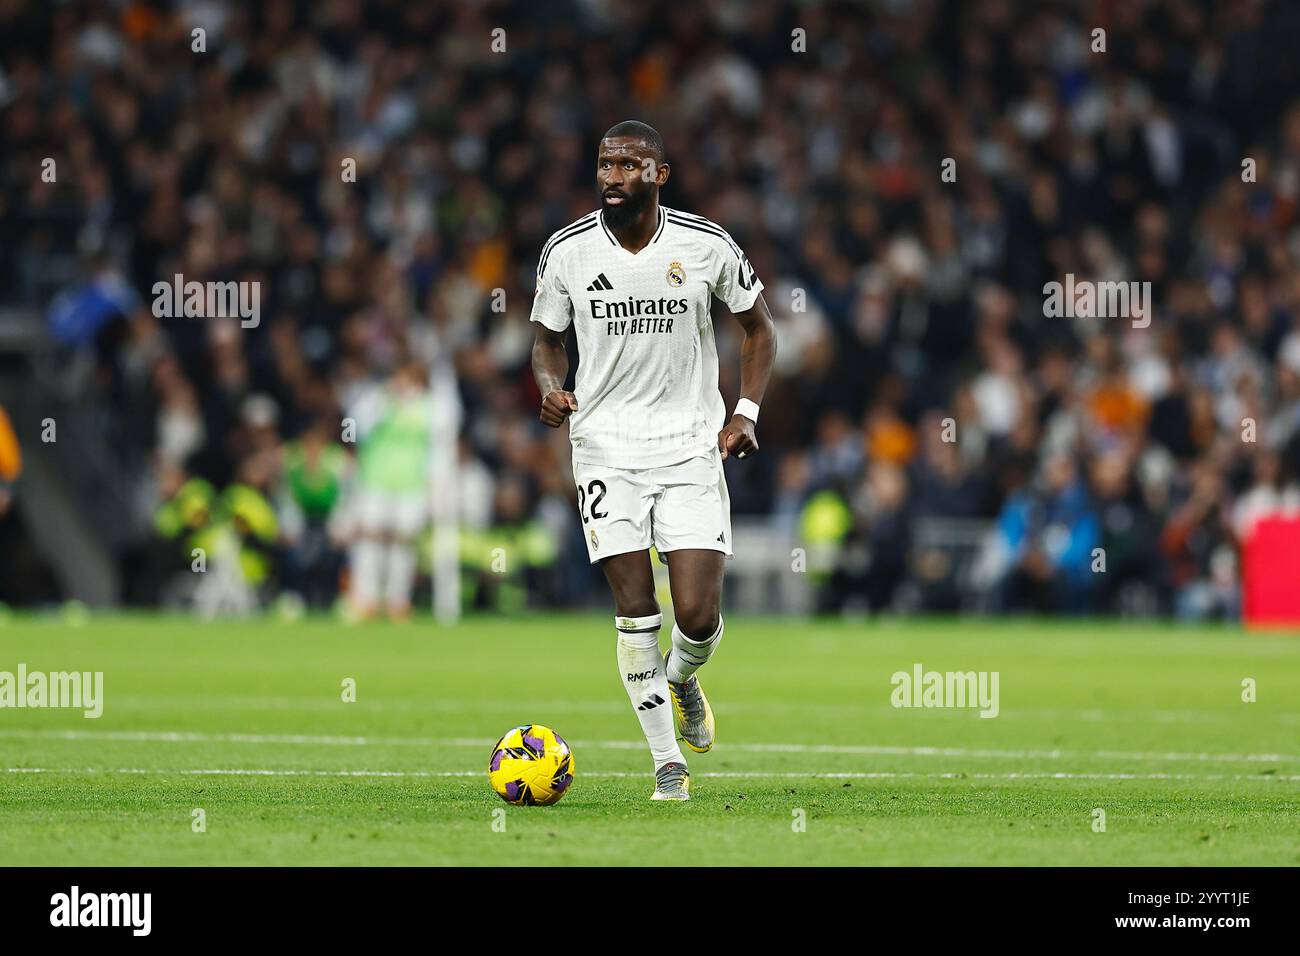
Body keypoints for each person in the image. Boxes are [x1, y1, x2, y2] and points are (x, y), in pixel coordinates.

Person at [529, 120, 776, 800]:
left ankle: (682, 678)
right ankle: (668, 763)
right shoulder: (568, 252)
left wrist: (745, 414)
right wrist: (551, 388)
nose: (612, 175)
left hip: (689, 445)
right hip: (605, 447)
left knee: (695, 614)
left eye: (629, 165)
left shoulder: (704, 245)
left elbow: (759, 331)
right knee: (637, 609)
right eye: (605, 163)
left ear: (659, 174)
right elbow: (546, 339)